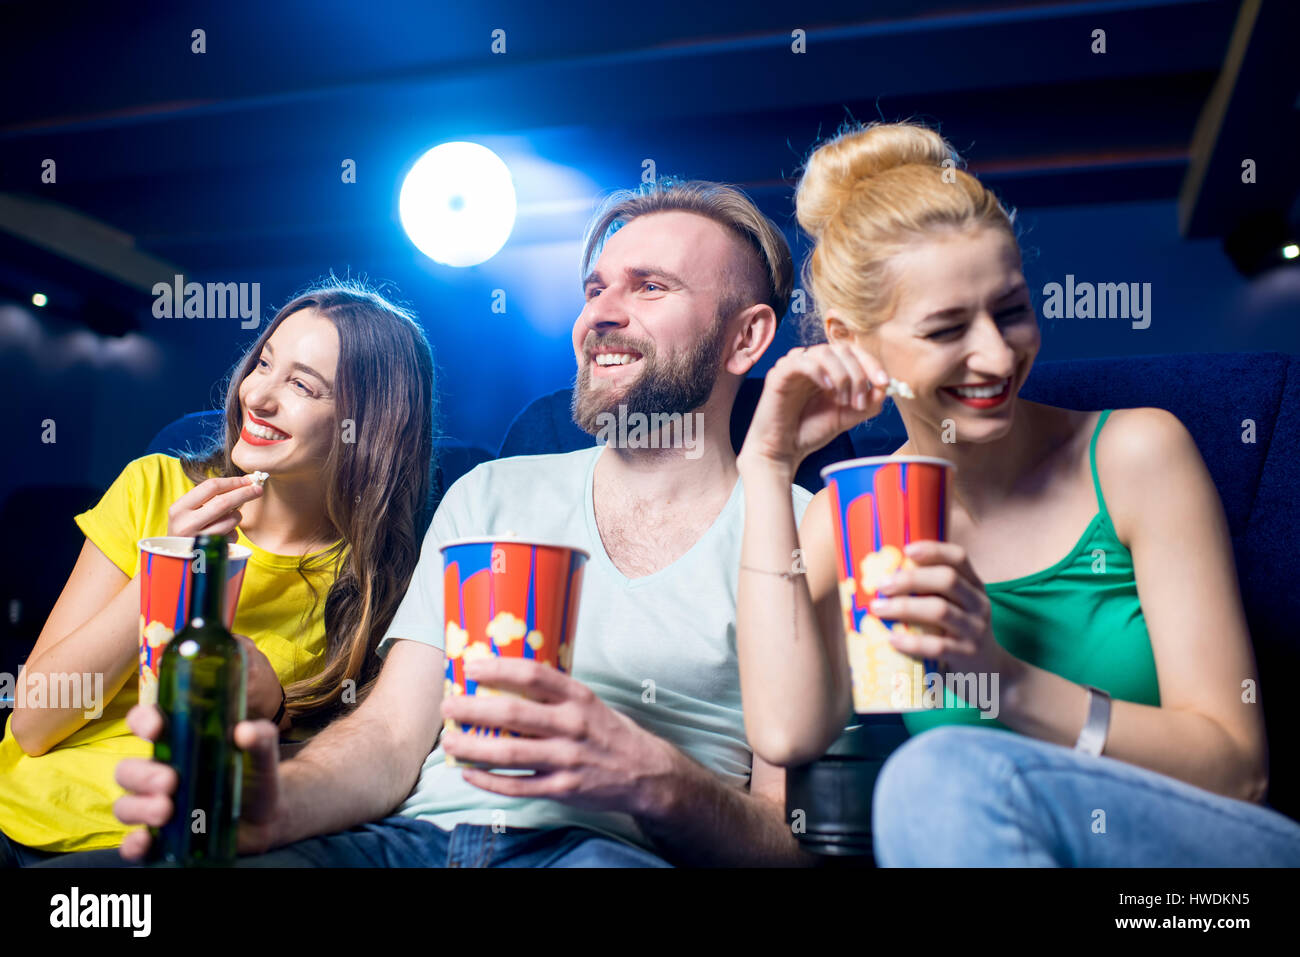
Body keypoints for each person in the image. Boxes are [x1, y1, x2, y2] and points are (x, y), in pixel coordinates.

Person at [45, 179, 816, 869]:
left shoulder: (803, 531)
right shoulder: (491, 492)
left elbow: (789, 841)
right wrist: (271, 803)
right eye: (594, 288)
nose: (602, 314)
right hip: (406, 843)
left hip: (605, 851)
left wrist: (649, 776)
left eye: (650, 287)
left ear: (745, 337)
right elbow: (386, 738)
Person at [734, 120, 1300, 866]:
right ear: (852, 341)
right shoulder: (855, 513)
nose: (997, 354)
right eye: (947, 329)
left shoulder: (1136, 454)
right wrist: (768, 469)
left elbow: (1239, 771)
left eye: (1010, 310)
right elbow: (786, 732)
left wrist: (998, 674)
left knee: (935, 776)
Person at [1, 279, 437, 866]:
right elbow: (32, 724)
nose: (258, 396)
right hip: (18, 813)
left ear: (371, 426)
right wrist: (171, 568)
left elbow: (352, 766)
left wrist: (277, 709)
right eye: (263, 363)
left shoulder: (380, 579)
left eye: (303, 385)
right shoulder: (152, 487)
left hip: (158, 845)